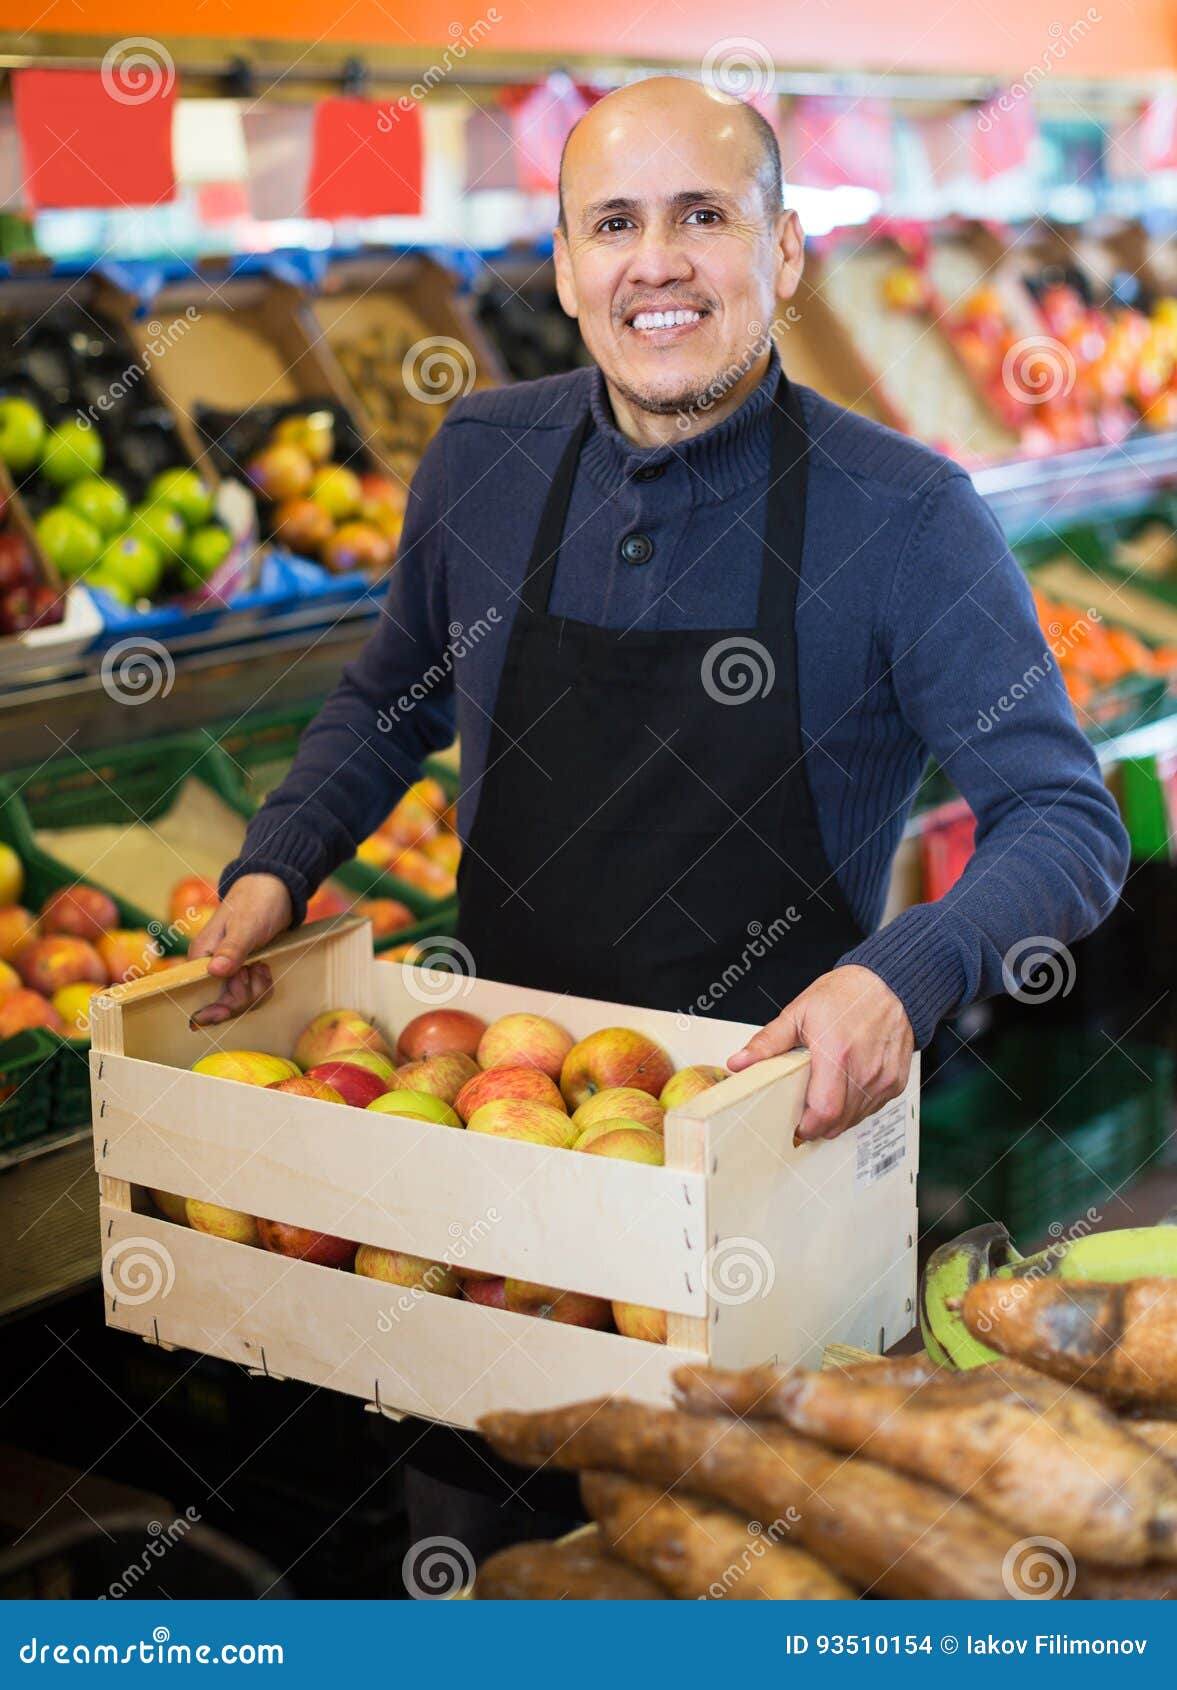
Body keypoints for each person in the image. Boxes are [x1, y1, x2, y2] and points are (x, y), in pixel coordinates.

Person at [190, 75, 1128, 1562]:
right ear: (562, 266)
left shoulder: (906, 514)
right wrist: (275, 863)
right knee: (493, 1565)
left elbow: (1065, 821)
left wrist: (902, 973)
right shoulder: (482, 463)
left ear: (786, 250)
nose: (657, 260)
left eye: (702, 215)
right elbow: (386, 702)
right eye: (612, 222)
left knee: (738, 1583)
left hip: (775, 1190)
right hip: (500, 1160)